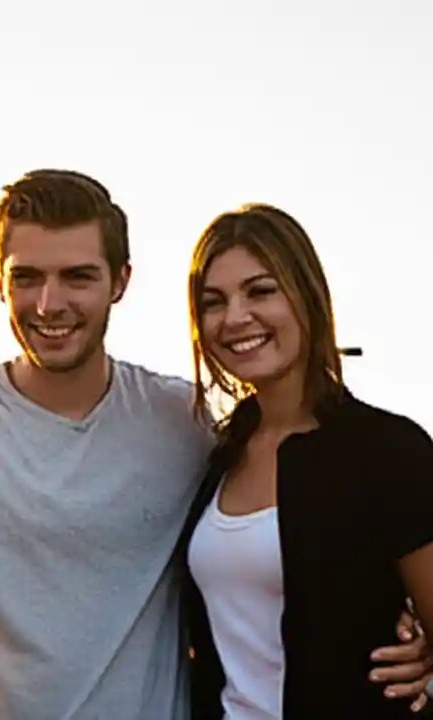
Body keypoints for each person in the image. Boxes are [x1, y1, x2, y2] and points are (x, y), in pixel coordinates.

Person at [0, 169, 430, 719]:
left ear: (121, 281)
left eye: (78, 276)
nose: (49, 304)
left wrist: (418, 638)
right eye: (26, 277)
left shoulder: (185, 423)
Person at [181, 203, 433, 718]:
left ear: (306, 294)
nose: (235, 317)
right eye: (213, 301)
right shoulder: (217, 457)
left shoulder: (389, 450)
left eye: (260, 290)